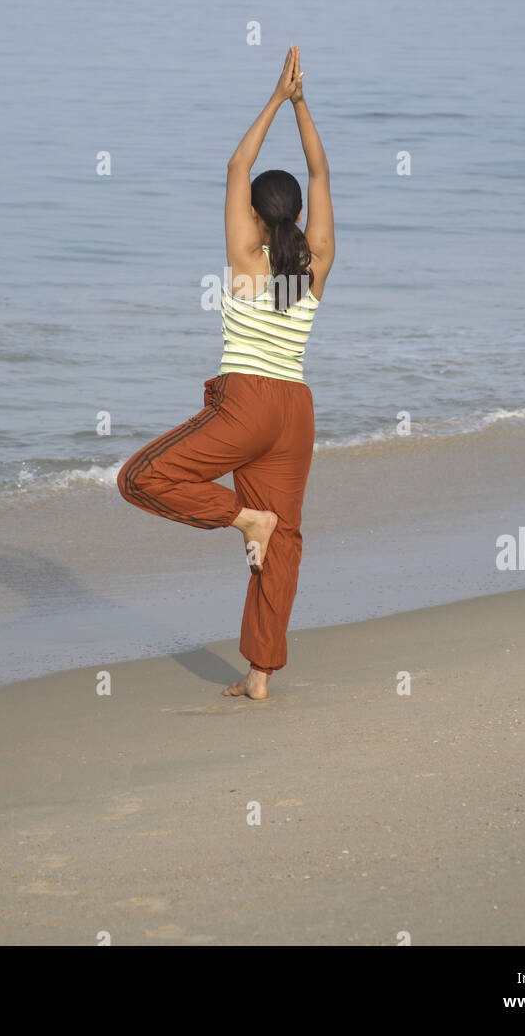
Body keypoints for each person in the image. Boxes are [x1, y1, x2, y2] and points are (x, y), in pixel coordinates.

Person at [117, 46, 335, 699]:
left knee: (141, 477)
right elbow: (322, 176)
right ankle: (260, 675)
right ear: (295, 215)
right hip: (294, 411)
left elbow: (237, 164)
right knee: (286, 539)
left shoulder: (246, 257)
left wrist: (274, 96)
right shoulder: (314, 264)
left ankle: (244, 521)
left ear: (256, 219)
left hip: (246, 404)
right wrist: (303, 103)